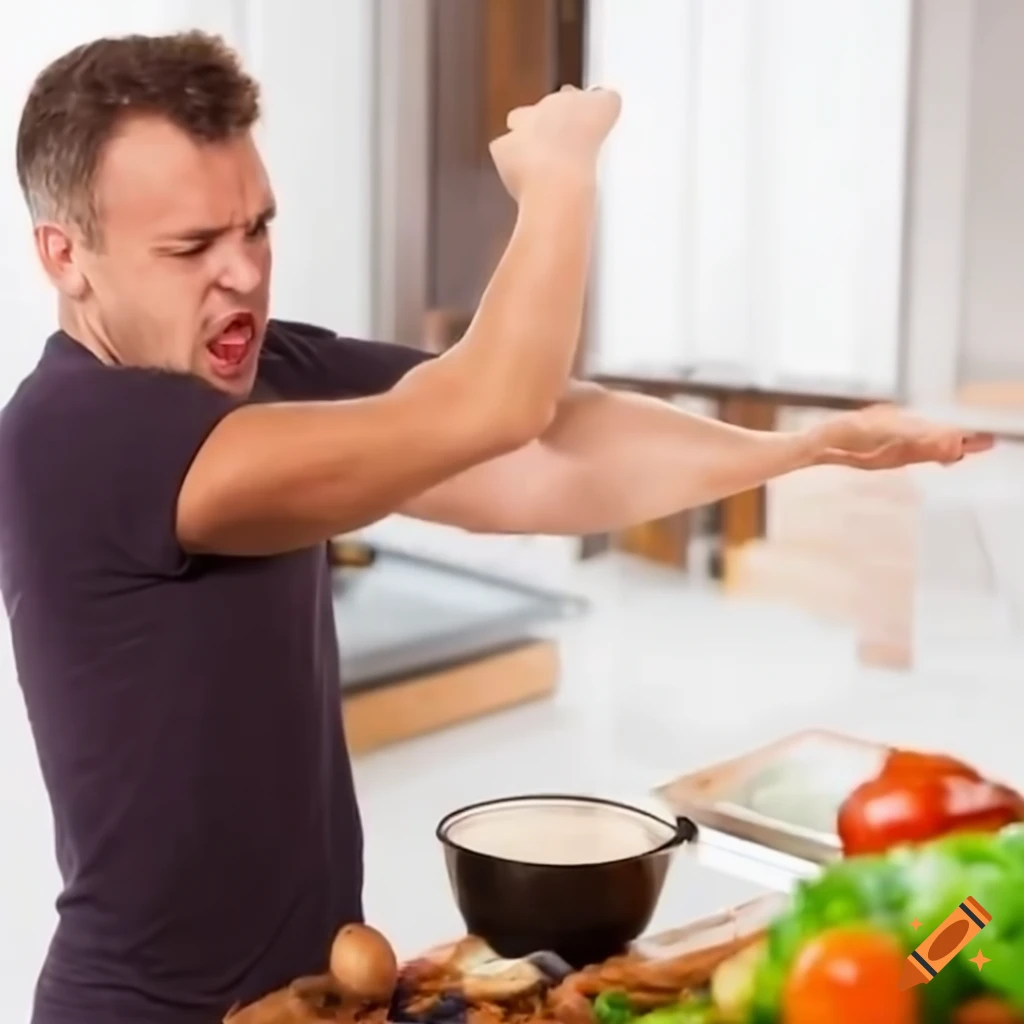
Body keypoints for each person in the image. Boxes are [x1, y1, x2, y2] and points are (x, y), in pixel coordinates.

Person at [0, 30, 992, 1024]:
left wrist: (802, 450)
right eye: (189, 247)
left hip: (325, 989)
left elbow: (543, 444)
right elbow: (487, 407)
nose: (244, 275)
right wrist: (559, 180)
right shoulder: (74, 437)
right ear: (65, 256)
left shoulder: (265, 373)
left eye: (256, 227)